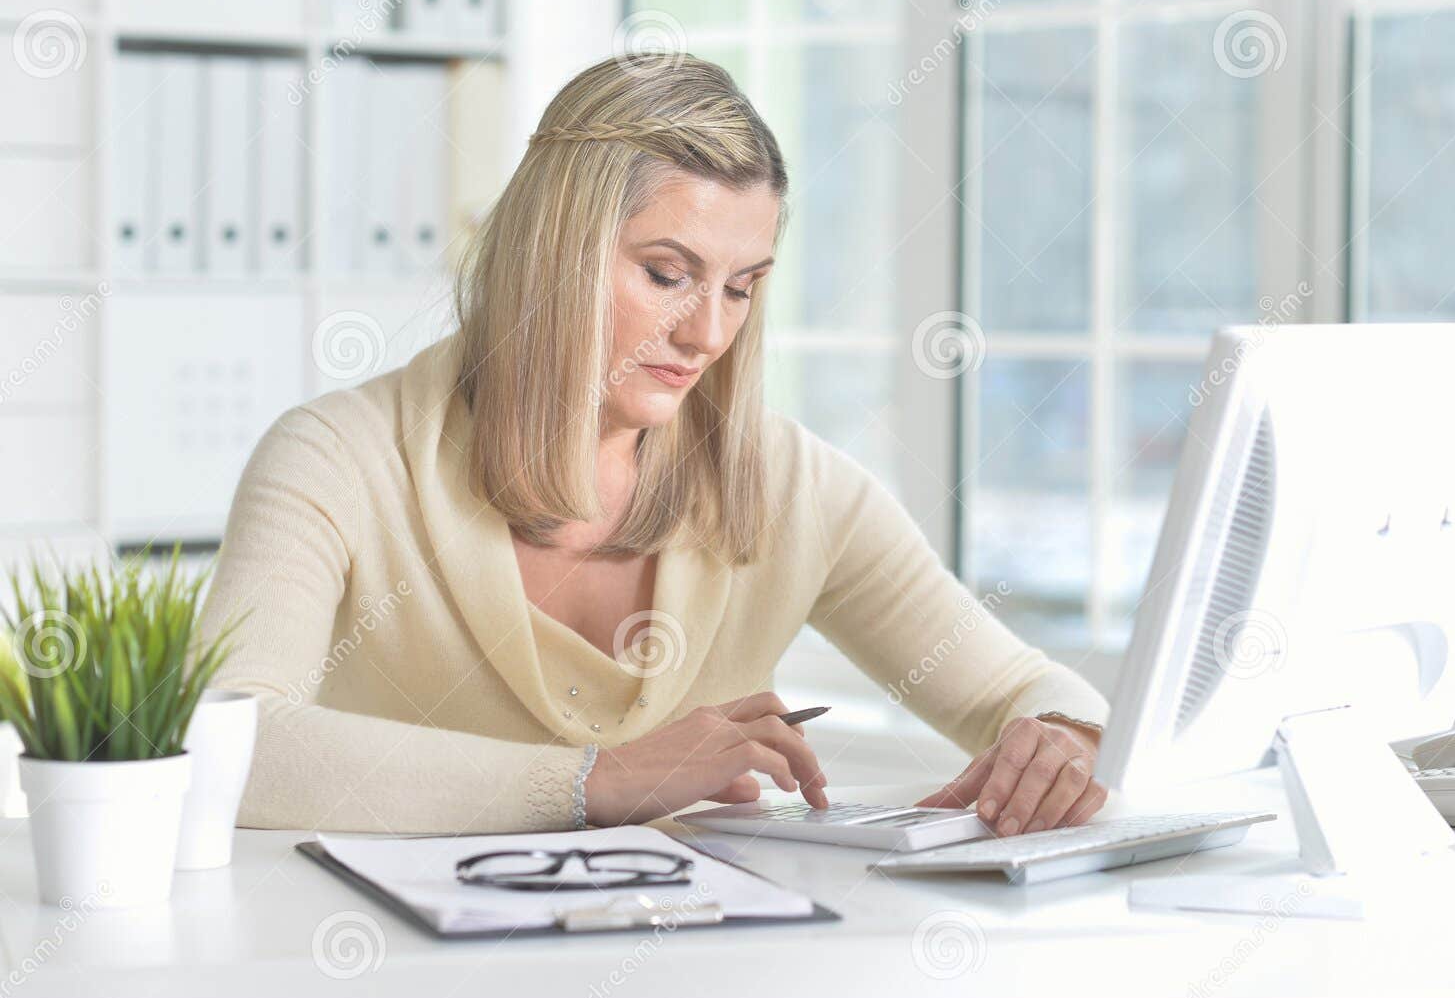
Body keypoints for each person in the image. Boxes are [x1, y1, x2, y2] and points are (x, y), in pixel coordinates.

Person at [200, 54, 1109, 837]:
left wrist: (1062, 740)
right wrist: (597, 781)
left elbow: (1027, 690)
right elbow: (232, 739)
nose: (708, 333)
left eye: (743, 287)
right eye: (667, 274)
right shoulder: (337, 459)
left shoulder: (789, 485)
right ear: (554, 250)